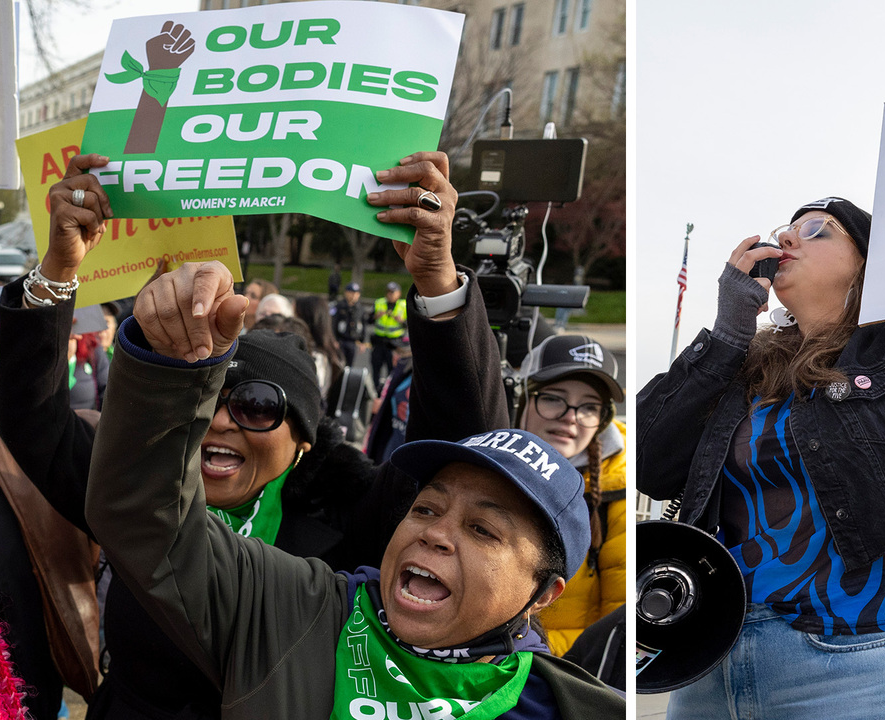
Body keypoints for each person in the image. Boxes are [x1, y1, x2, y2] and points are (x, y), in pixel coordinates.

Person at [82, 157, 622, 719]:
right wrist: (170, 371)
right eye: (425, 509)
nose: (435, 534)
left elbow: (467, 432)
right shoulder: (297, 608)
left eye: (483, 529)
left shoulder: (571, 706)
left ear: (544, 595)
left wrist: (439, 282)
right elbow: (142, 515)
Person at [0, 152, 510, 720]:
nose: (220, 422)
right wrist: (59, 270)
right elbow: (32, 415)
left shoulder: (350, 514)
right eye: (209, 401)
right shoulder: (135, 485)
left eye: (257, 406)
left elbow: (463, 452)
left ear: (305, 441)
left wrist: (437, 282)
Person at [637, 196, 885, 719]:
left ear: (870, 265)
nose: (787, 239)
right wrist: (727, 335)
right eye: (787, 229)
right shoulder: (741, 368)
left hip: (854, 663)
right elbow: (650, 459)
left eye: (819, 231)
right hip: (712, 660)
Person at [515, 335, 626, 657]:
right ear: (524, 397)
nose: (571, 416)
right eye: (554, 398)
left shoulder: (616, 488)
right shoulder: (478, 461)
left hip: (567, 678)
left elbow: (619, 634)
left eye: (589, 407)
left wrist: (528, 657)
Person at [295, 294, 347, 400]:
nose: (289, 322)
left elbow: (312, 397)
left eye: (294, 316)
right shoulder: (326, 351)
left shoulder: (316, 357)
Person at [371, 280, 408, 386]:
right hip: (379, 341)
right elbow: (368, 320)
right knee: (376, 366)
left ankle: (388, 390)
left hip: (394, 343)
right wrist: (376, 316)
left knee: (392, 369)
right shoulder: (379, 303)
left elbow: (410, 324)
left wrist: (401, 321)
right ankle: (376, 390)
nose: (390, 295)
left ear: (398, 293)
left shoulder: (404, 305)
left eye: (393, 292)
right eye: (388, 292)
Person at [331, 281, 370, 365]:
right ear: (346, 293)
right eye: (351, 293)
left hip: (352, 341)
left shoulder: (360, 309)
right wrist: (334, 340)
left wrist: (363, 342)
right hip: (341, 340)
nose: (353, 296)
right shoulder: (339, 306)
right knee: (338, 364)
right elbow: (333, 324)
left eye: (356, 293)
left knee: (349, 365)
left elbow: (363, 325)